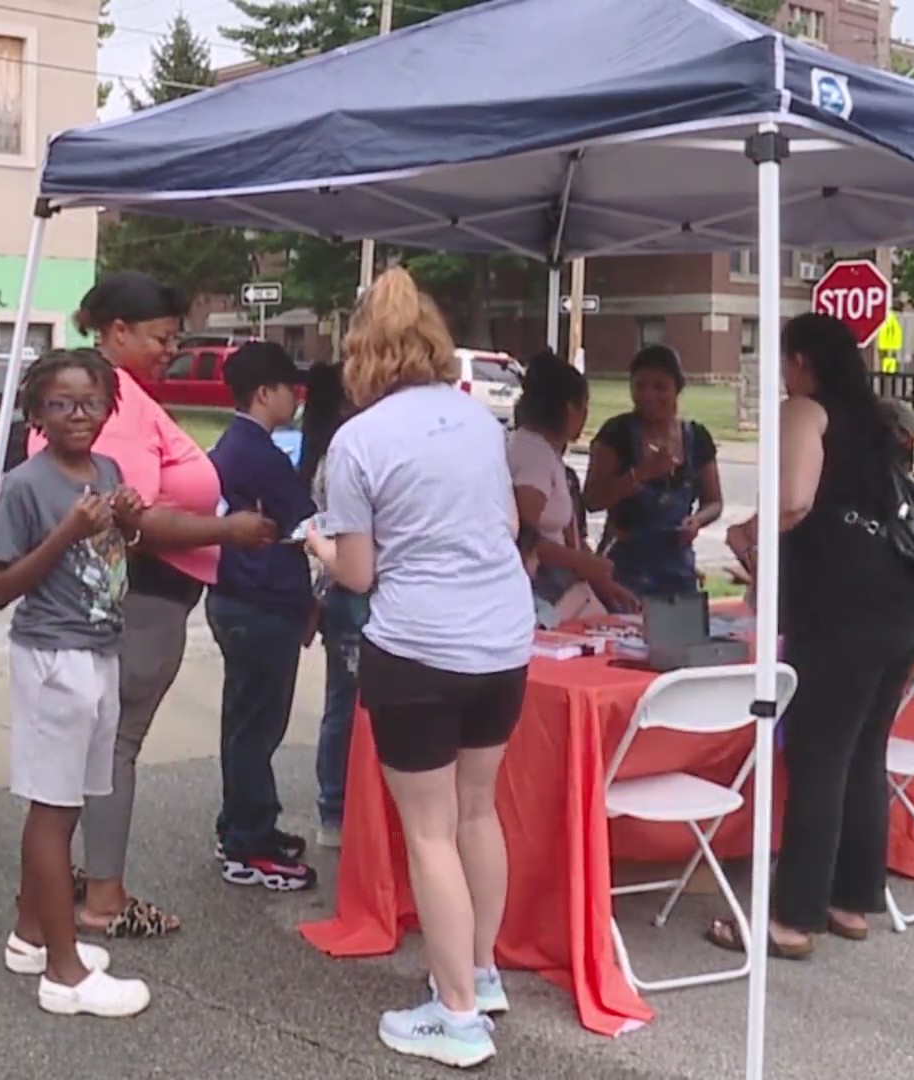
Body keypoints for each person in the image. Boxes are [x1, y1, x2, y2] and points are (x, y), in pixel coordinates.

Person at [306, 269, 531, 1069]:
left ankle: (458, 1016)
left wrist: (320, 545)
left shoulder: (357, 443)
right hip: (502, 639)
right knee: (478, 812)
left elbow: (360, 575)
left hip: (419, 646)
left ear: (359, 353)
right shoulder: (476, 418)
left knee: (429, 831)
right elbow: (505, 520)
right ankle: (480, 969)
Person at [31, 272, 275, 938]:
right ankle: (102, 898)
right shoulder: (112, 403)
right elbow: (123, 518)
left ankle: (75, 881)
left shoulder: (116, 395)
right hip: (136, 597)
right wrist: (228, 530)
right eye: (162, 338)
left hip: (136, 595)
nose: (171, 349)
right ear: (117, 332)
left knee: (100, 743)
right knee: (115, 746)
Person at [716, 313, 914, 955]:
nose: (782, 371)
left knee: (818, 756)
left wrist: (758, 540)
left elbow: (794, 500)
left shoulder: (804, 410)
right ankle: (850, 902)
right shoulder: (871, 420)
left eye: (785, 359)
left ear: (803, 362)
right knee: (865, 750)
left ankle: (792, 919)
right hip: (904, 602)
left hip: (844, 607)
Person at [0, 348, 151, 1018]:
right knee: (50, 813)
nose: (79, 415)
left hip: (99, 650)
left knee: (73, 800)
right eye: (62, 404)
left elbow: (111, 553)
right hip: (54, 658)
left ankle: (30, 935)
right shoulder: (26, 485)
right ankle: (64, 971)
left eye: (91, 403)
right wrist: (65, 533)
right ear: (36, 414)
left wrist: (128, 522)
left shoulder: (106, 469)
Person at [205, 342, 319, 891]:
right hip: (260, 599)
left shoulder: (235, 446)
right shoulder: (259, 454)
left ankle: (242, 824)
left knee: (243, 720)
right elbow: (306, 523)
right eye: (288, 388)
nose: (295, 398)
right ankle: (248, 840)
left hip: (235, 598)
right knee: (257, 726)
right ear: (263, 393)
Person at [582, 345, 724, 599]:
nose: (648, 396)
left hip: (678, 569)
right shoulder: (616, 434)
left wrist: (697, 521)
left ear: (677, 389)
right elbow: (592, 500)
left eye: (659, 387)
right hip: (623, 568)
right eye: (640, 386)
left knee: (680, 634)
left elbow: (714, 501)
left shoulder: (697, 438)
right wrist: (641, 474)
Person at [508, 352, 638, 617]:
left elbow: (571, 540)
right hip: (537, 594)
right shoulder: (534, 455)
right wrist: (583, 563)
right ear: (571, 409)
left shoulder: (545, 454)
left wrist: (603, 582)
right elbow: (522, 536)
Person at [297, 361, 364, 850]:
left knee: (344, 702)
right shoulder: (343, 457)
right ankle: (335, 808)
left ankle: (337, 806)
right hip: (348, 590)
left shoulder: (328, 450)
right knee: (346, 703)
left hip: (339, 590)